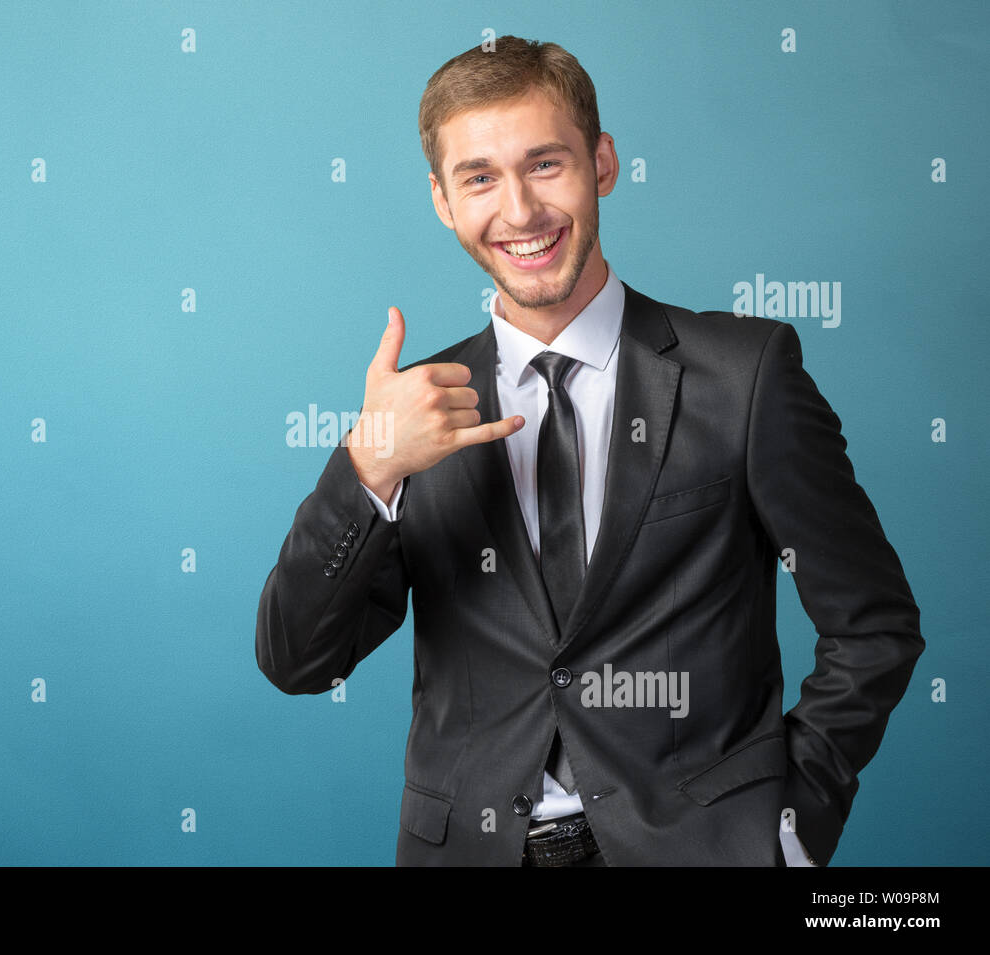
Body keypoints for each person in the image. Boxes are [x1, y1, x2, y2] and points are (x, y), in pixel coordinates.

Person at [254, 36, 923, 866]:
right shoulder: (416, 410)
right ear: (441, 200)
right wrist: (372, 464)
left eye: (545, 164)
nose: (520, 211)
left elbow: (874, 626)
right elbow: (297, 661)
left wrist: (788, 827)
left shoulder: (744, 376)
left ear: (602, 162)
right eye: (480, 178)